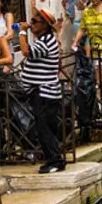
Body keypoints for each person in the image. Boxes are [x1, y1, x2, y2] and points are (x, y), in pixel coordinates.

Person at [19, 9, 65, 173]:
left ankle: (55, 162)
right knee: (45, 128)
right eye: (31, 21)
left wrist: (22, 31)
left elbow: (25, 51)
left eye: (34, 22)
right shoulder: (46, 40)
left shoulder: (45, 42)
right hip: (43, 92)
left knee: (44, 128)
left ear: (44, 26)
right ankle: (52, 159)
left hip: (45, 92)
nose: (31, 24)